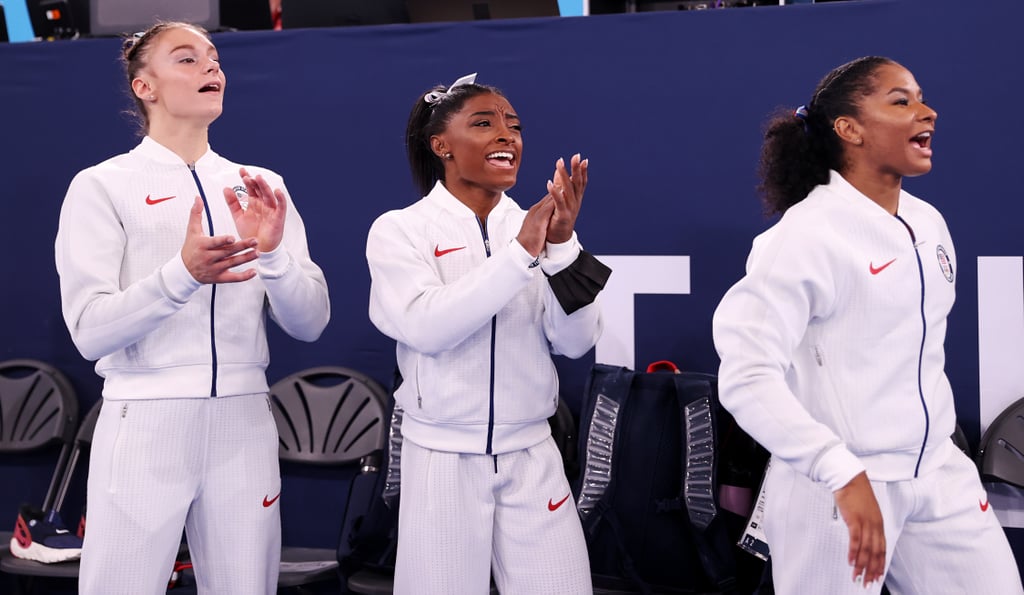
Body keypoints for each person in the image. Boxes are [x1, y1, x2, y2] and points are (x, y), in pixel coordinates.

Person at [712, 56, 1023, 594]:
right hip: (835, 489)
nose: (927, 112)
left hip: (937, 472)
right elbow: (746, 375)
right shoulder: (803, 237)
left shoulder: (929, 224)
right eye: (900, 101)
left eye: (921, 98)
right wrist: (839, 469)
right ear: (849, 129)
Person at [54, 21, 330, 595]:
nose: (212, 68)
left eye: (214, 57)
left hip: (244, 421)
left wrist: (274, 256)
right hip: (144, 426)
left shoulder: (261, 186)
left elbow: (310, 322)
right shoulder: (102, 186)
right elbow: (88, 331)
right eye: (187, 59)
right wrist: (182, 275)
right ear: (143, 86)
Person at [365, 73, 610, 594]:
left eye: (513, 125)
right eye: (485, 123)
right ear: (441, 146)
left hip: (532, 455)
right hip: (442, 460)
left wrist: (563, 249)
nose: (507, 135)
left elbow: (576, 341)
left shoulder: (539, 227)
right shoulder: (399, 229)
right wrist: (520, 256)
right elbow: (427, 327)